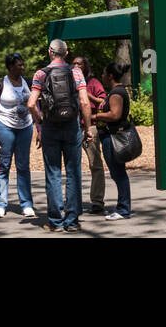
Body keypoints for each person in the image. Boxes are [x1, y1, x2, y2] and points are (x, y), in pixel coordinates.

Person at [27, 38, 93, 232]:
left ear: (50, 52)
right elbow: (84, 102)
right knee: (74, 174)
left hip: (50, 127)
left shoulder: (40, 74)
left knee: (53, 174)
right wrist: (88, 128)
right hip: (72, 127)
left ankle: (55, 222)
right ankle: (72, 222)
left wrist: (39, 123)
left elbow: (31, 104)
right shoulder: (76, 72)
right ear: (66, 53)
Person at [0, 52, 35, 218]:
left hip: (25, 128)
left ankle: (27, 204)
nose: (22, 67)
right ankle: (0, 204)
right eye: (19, 65)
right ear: (10, 67)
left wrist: (40, 129)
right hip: (4, 128)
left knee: (23, 166)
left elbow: (35, 106)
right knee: (3, 166)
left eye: (22, 64)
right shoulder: (0, 84)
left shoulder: (28, 83)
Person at [91, 62, 133, 220]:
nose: (102, 76)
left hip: (113, 138)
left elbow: (114, 115)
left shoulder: (116, 93)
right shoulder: (116, 91)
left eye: (103, 73)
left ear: (110, 76)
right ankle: (123, 207)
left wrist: (95, 116)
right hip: (110, 137)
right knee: (118, 173)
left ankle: (123, 209)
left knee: (119, 174)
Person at [73, 54, 106, 216]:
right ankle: (74, 200)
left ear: (86, 66)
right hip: (73, 128)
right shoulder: (69, 83)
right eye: (74, 64)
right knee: (73, 165)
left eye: (79, 64)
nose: (76, 66)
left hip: (91, 127)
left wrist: (87, 94)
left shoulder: (93, 83)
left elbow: (103, 101)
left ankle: (97, 201)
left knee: (95, 165)